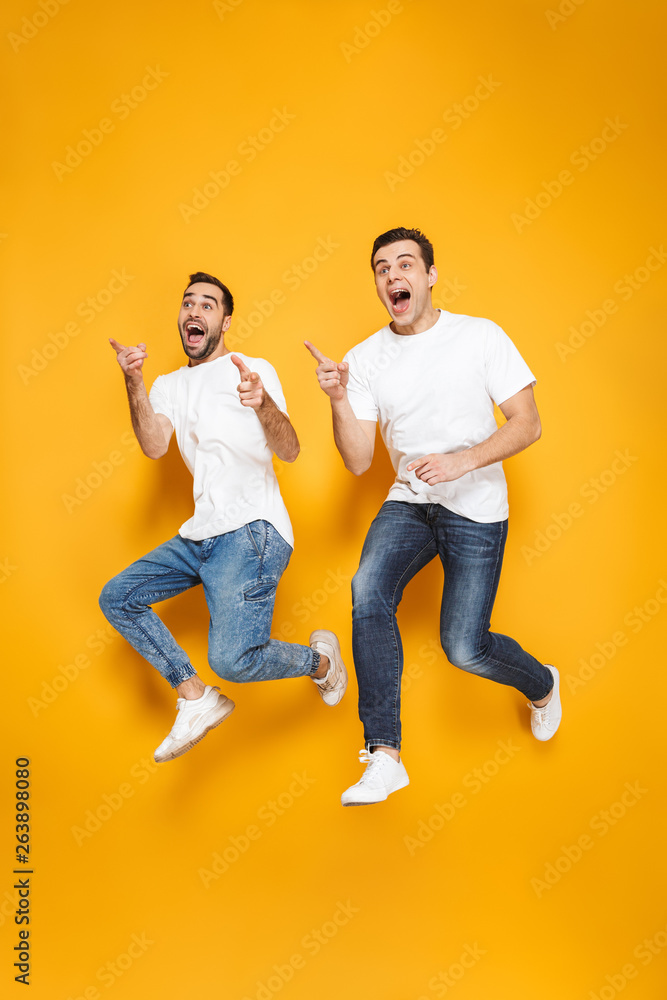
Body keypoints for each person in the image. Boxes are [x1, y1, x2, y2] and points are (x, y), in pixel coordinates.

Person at [305, 227, 561, 806]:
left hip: (475, 507)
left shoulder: (479, 336)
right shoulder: (363, 359)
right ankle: (384, 755)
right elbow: (360, 459)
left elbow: (528, 422)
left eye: (404, 264)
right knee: (367, 588)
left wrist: (462, 461)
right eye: (381, 268)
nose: (392, 275)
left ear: (429, 275)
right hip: (411, 502)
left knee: (464, 647)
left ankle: (542, 685)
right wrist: (339, 398)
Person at [100, 271, 346, 763]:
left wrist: (263, 404)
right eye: (188, 302)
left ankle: (321, 663)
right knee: (119, 597)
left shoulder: (250, 368)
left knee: (231, 660)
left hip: (252, 529)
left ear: (225, 320)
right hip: (201, 534)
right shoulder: (169, 385)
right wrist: (134, 382)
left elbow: (291, 449)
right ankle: (194, 696)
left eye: (208, 305)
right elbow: (154, 445)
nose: (194, 311)